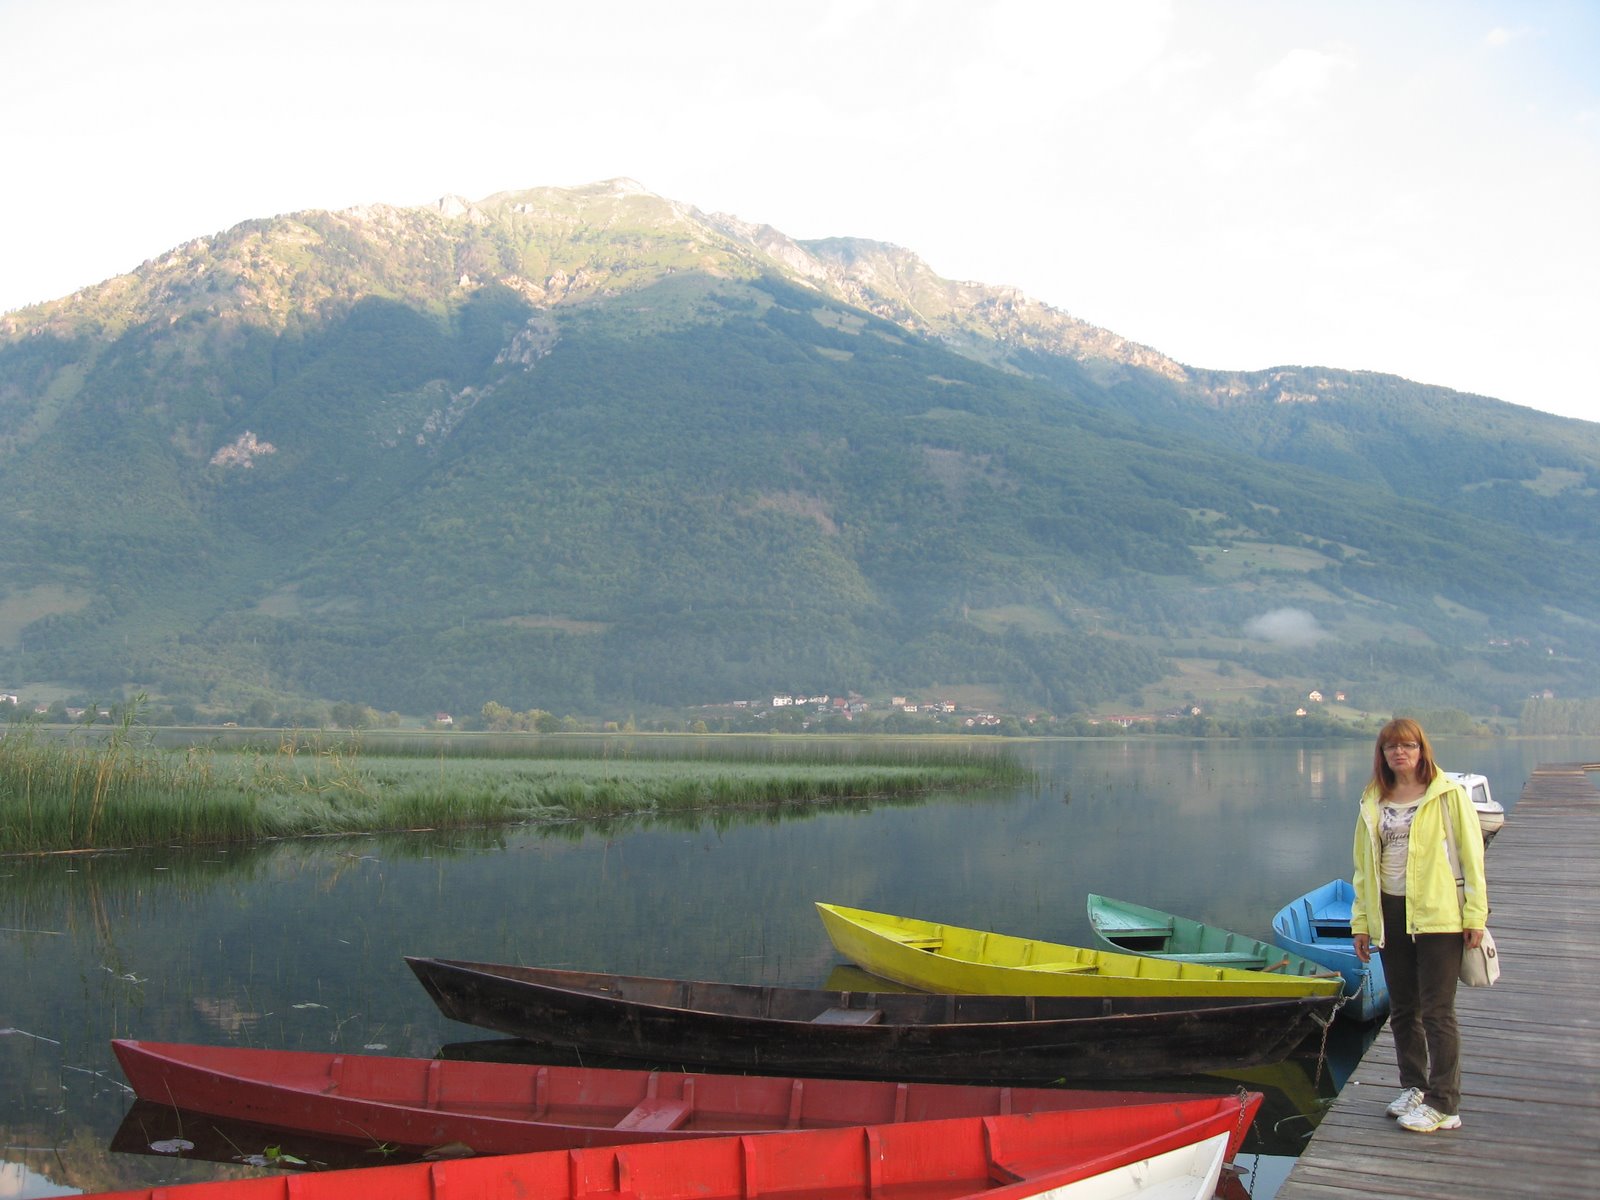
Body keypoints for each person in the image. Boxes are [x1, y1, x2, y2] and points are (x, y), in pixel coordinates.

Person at [1350, 717, 1488, 1133]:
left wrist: (1475, 914)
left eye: (1408, 745)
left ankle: (1444, 1103)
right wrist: (1361, 921)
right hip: (1390, 912)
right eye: (1391, 747)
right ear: (1383, 754)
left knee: (1438, 1011)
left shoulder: (1446, 794)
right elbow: (1362, 868)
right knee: (1404, 1008)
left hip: (1438, 913)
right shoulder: (1374, 798)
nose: (1400, 753)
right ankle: (1414, 1087)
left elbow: (1471, 856)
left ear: (1421, 749)